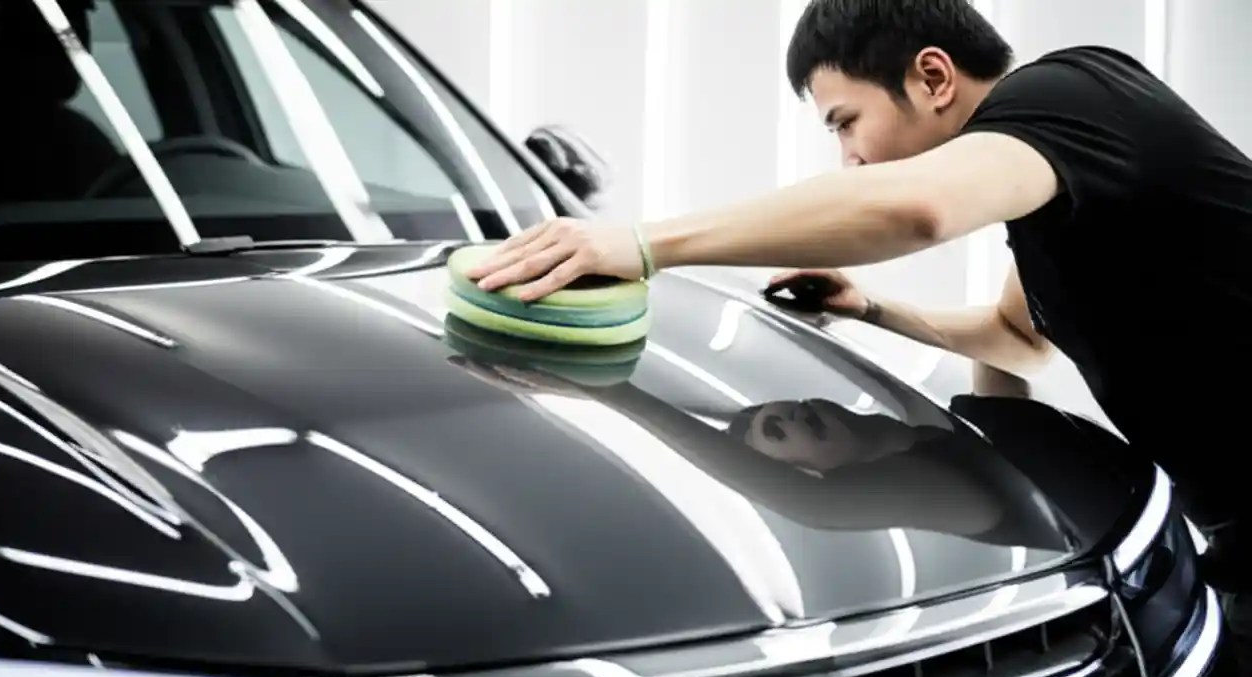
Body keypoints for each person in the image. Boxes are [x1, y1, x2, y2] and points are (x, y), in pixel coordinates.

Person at [466, 0, 1252, 593]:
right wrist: (873, 311)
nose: (851, 158)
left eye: (847, 122)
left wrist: (642, 245)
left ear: (933, 77)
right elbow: (1019, 340)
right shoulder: (1054, 190)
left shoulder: (1072, 95)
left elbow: (919, 209)